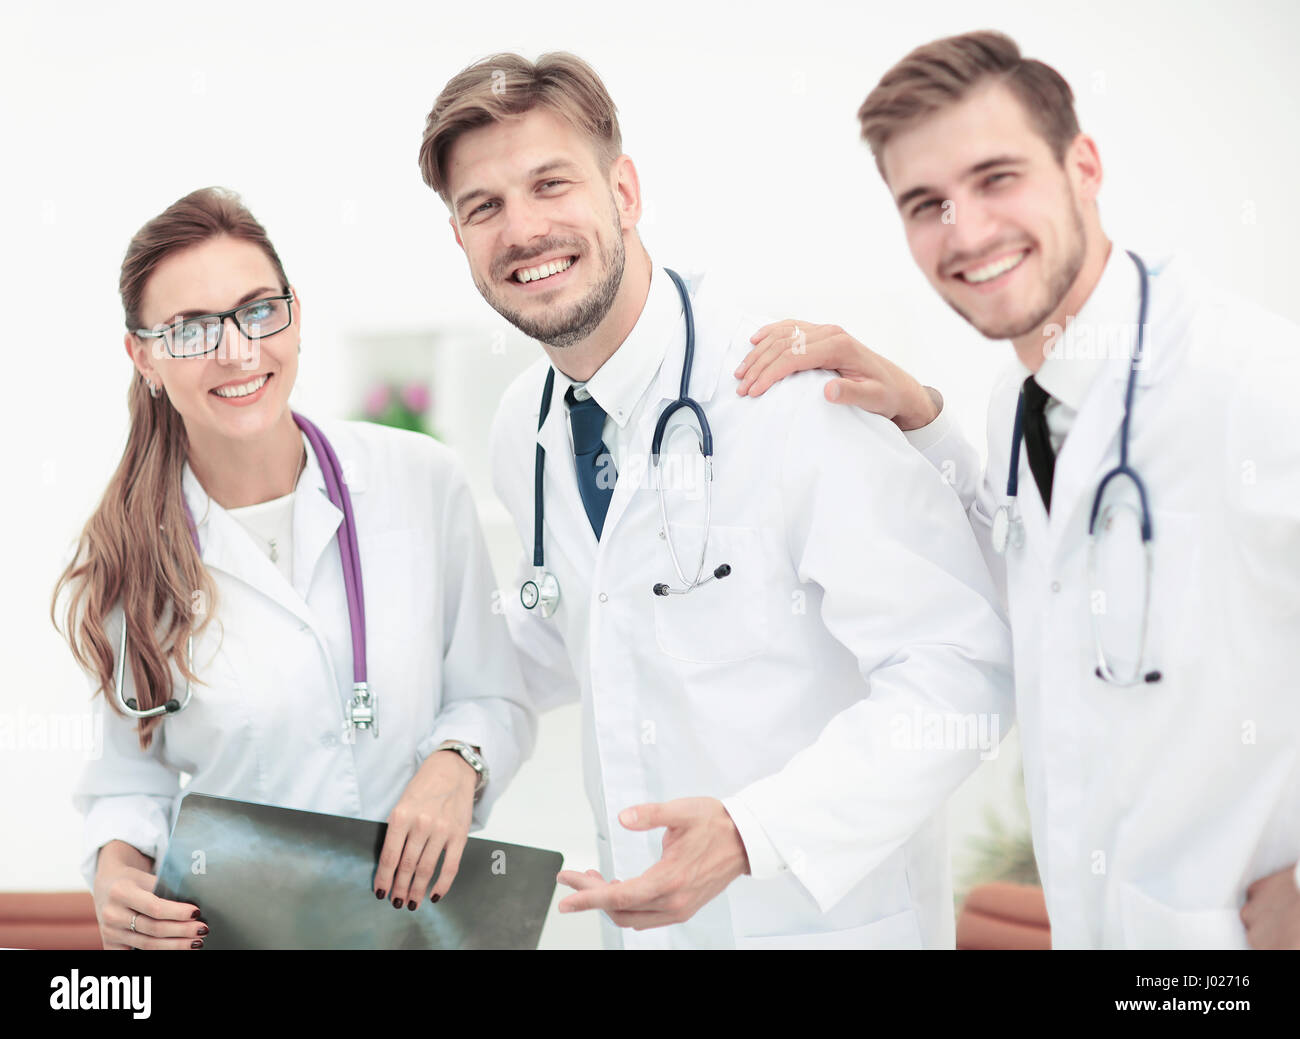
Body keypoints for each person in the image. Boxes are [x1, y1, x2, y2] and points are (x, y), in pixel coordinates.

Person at [417, 51, 1014, 949]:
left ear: (625, 190)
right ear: (460, 239)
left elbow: (962, 669)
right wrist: (451, 750)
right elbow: (568, 634)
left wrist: (752, 833)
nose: (524, 229)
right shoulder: (521, 427)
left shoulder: (785, 386)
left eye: (551, 183)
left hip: (826, 927)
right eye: (484, 207)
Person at [735, 30, 1300, 949]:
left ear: (1084, 164)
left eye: (997, 178)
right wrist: (921, 416)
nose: (967, 230)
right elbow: (1038, 572)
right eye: (928, 204)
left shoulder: (1251, 380)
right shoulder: (1019, 404)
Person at [52, 187, 535, 950]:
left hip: (421, 927)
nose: (238, 351)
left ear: (295, 315)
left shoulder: (421, 481)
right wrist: (115, 876)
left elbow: (495, 695)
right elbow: (129, 780)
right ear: (142, 357)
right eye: (190, 330)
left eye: (257, 310)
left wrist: (456, 762)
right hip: (241, 933)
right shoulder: (128, 556)